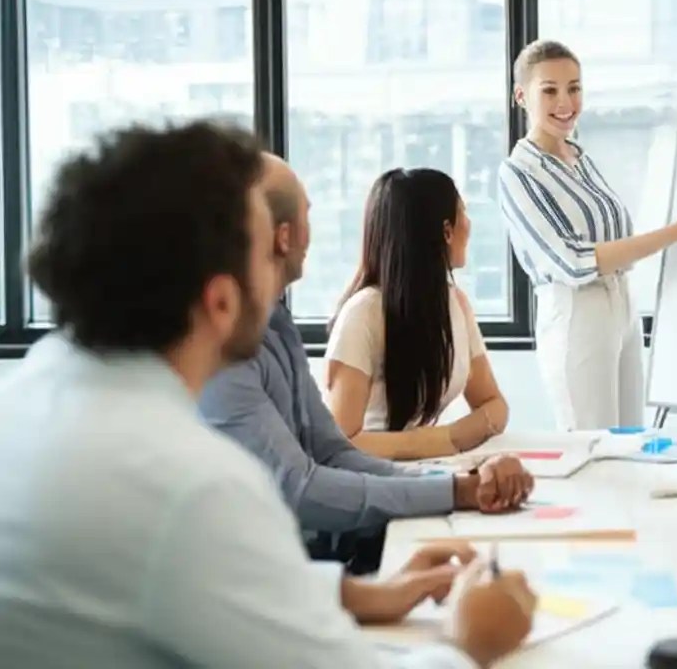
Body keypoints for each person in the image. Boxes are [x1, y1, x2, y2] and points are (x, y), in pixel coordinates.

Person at [0, 120, 535, 667]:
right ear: (222, 301)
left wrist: (361, 593)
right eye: (264, 257)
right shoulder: (193, 486)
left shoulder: (33, 400)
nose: (282, 272)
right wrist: (473, 639)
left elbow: (196, 577)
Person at [198, 154, 533, 557]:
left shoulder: (277, 325)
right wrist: (457, 483)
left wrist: (456, 484)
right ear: (283, 237)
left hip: (316, 545)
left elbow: (332, 450)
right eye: (308, 214)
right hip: (289, 552)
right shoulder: (227, 351)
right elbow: (303, 484)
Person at [498, 38, 677, 431]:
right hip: (577, 310)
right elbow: (574, 260)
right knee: (595, 448)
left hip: (621, 303)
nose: (565, 102)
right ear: (521, 95)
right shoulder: (518, 172)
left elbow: (621, 238)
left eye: (574, 88)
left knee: (631, 440)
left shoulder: (580, 159)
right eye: (549, 90)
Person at [326, 168, 507, 461]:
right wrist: (447, 440)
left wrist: (451, 438)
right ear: (446, 231)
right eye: (464, 212)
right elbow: (339, 445)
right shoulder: (362, 314)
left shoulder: (455, 302)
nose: (469, 224)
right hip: (371, 480)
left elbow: (494, 405)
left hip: (428, 467)